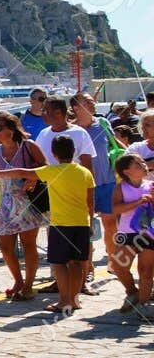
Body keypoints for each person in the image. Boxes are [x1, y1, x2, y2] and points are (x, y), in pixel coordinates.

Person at [0, 134, 95, 316]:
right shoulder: (85, 172)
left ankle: (64, 301)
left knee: (59, 264)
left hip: (60, 225)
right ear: (74, 151)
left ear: (53, 153)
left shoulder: (51, 171)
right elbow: (90, 202)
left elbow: (20, 172)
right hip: (81, 223)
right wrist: (90, 222)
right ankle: (74, 299)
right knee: (77, 263)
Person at [0, 112, 47, 301]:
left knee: (28, 245)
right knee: (5, 246)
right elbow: (0, 174)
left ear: (11, 129)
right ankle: (18, 280)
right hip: (8, 203)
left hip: (28, 202)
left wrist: (32, 180)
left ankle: (29, 285)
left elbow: (45, 169)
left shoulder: (28, 147)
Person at [72, 92, 116, 293]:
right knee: (86, 227)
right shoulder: (72, 129)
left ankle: (112, 260)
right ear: (76, 107)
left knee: (110, 223)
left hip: (106, 181)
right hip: (83, 185)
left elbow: (115, 147)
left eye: (92, 100)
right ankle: (88, 267)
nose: (92, 103)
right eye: (87, 101)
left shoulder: (103, 124)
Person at [107, 153, 154, 312]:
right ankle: (132, 292)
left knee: (146, 270)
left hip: (149, 232)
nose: (143, 165)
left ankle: (144, 304)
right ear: (126, 171)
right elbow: (116, 209)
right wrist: (139, 201)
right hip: (128, 232)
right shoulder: (121, 187)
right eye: (138, 164)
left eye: (142, 162)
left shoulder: (151, 185)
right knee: (119, 266)